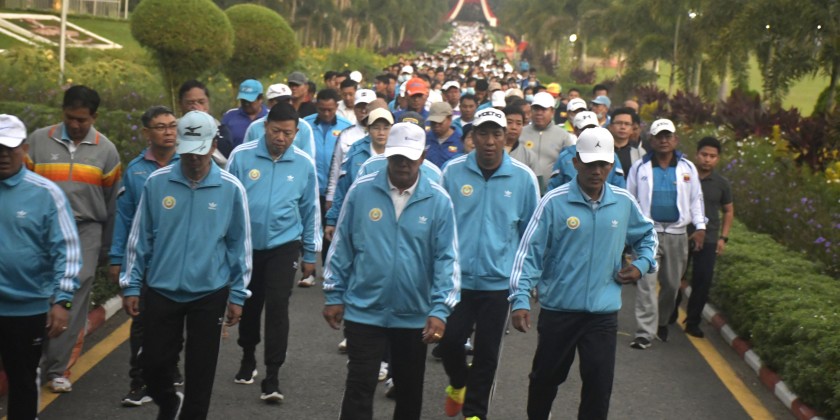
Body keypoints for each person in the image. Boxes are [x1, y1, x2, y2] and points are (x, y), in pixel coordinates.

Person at [509, 127, 657, 420]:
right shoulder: (554, 202)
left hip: (602, 314)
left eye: (603, 164)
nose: (596, 171)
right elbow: (529, 253)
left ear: (611, 164)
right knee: (544, 380)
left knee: (598, 388)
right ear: (575, 162)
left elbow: (647, 235)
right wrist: (520, 298)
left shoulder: (623, 202)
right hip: (559, 311)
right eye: (590, 163)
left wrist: (642, 264)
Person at [323, 122, 460, 420]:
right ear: (387, 154)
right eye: (397, 156)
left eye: (410, 157)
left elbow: (447, 258)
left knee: (409, 392)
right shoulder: (361, 191)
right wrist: (334, 294)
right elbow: (342, 246)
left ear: (422, 157)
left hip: (413, 314)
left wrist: (440, 309)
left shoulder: (438, 200)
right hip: (364, 309)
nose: (403, 163)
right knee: (359, 388)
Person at [120, 110, 252, 420]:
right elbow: (139, 238)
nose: (193, 158)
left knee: (200, 371)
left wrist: (237, 294)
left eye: (200, 150)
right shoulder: (157, 182)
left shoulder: (231, 188)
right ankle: (168, 401)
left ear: (214, 145)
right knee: (152, 364)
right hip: (162, 289)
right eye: (188, 150)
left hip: (209, 291)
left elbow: (240, 245)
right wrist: (132, 284)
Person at [438, 108, 539, 420]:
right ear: (473, 136)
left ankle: (474, 413)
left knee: (487, 353)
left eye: (497, 133)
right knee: (449, 342)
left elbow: (531, 237)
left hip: (499, 283)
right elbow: (438, 226)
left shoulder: (523, 178)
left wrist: (527, 283)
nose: (490, 141)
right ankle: (458, 382)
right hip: (456, 280)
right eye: (483, 133)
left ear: (506, 136)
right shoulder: (451, 172)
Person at [26, 85, 122, 393]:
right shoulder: (38, 141)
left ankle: (57, 369)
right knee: (40, 292)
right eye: (70, 117)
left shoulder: (106, 150)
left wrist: (109, 249)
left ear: (95, 117)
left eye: (82, 119)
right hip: (42, 229)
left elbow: (112, 203)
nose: (75, 124)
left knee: (73, 298)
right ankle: (31, 359)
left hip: (86, 231)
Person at [226, 103, 321, 402]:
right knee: (250, 304)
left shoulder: (304, 164)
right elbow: (227, 201)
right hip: (247, 246)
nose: (281, 138)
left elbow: (310, 210)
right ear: (265, 127)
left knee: (278, 307)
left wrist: (310, 254)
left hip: (284, 245)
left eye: (288, 133)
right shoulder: (241, 156)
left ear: (296, 132)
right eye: (276, 131)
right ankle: (247, 355)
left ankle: (273, 375)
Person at [0, 114, 80, 420]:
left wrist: (62, 300)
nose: (3, 155)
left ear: (24, 149)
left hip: (27, 309)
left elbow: (67, 250)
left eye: (10, 148)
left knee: (23, 382)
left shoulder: (46, 193)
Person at [109, 106, 182, 407]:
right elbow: (124, 218)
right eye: (160, 127)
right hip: (144, 262)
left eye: (172, 126)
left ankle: (169, 371)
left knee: (174, 323)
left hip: (177, 260)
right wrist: (117, 258)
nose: (168, 132)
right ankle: (138, 382)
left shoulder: (187, 163)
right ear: (146, 133)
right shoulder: (136, 170)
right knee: (141, 324)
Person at [626, 119, 706, 349]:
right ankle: (644, 333)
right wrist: (629, 231)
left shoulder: (687, 168)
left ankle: (661, 321)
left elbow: (696, 200)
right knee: (646, 284)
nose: (663, 140)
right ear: (651, 140)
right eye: (659, 136)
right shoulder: (639, 167)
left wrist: (700, 227)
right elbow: (630, 199)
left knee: (671, 286)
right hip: (647, 235)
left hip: (677, 234)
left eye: (667, 136)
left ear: (675, 139)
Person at [682, 137, 733, 337]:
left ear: (717, 159)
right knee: (675, 277)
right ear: (697, 155)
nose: (707, 159)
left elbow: (728, 211)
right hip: (683, 234)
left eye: (712, 156)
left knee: (702, 281)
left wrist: (723, 238)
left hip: (709, 238)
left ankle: (692, 322)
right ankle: (669, 314)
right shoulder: (684, 176)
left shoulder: (722, 184)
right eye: (704, 154)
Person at [303, 89, 352, 286]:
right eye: (322, 109)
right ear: (316, 106)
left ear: (336, 107)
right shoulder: (305, 125)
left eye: (330, 109)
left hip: (333, 189)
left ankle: (326, 267)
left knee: (328, 229)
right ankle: (308, 269)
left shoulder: (346, 128)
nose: (326, 113)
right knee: (308, 227)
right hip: (309, 187)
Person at [326, 89, 377, 214]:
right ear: (354, 109)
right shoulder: (346, 134)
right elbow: (336, 168)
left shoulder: (384, 134)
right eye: (360, 107)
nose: (364, 110)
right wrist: (330, 197)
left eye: (367, 107)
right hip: (348, 194)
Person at [547, 111, 625, 191]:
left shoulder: (610, 155)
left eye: (593, 128)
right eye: (584, 129)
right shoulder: (565, 156)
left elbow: (620, 186)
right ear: (575, 130)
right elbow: (553, 187)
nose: (589, 133)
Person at [241, 83, 316, 158]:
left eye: (288, 100)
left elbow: (308, 158)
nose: (284, 104)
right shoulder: (254, 127)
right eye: (280, 101)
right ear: (269, 103)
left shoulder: (304, 127)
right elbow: (246, 156)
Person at [519, 92, 574, 193]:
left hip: (552, 192)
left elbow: (569, 165)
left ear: (552, 112)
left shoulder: (563, 136)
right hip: (523, 190)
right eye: (536, 109)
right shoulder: (521, 132)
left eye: (543, 109)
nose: (539, 113)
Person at [178, 80, 235, 162]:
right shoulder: (173, 130)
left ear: (208, 102)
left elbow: (226, 160)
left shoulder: (221, 130)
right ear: (180, 104)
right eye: (190, 103)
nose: (196, 107)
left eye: (201, 102)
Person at [222, 79, 268, 148]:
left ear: (260, 99)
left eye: (250, 100)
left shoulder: (270, 116)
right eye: (243, 100)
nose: (246, 104)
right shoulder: (229, 116)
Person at [609, 107, 646, 180]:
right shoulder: (602, 149)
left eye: (627, 124)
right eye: (619, 123)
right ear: (610, 127)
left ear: (632, 129)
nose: (623, 127)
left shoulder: (639, 153)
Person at [426, 102, 464, 168]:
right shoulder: (426, 138)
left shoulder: (461, 140)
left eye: (440, 122)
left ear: (450, 118)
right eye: (433, 122)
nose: (436, 125)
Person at [503, 104, 538, 173]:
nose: (514, 127)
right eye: (509, 122)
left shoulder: (529, 156)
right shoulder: (490, 151)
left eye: (518, 123)